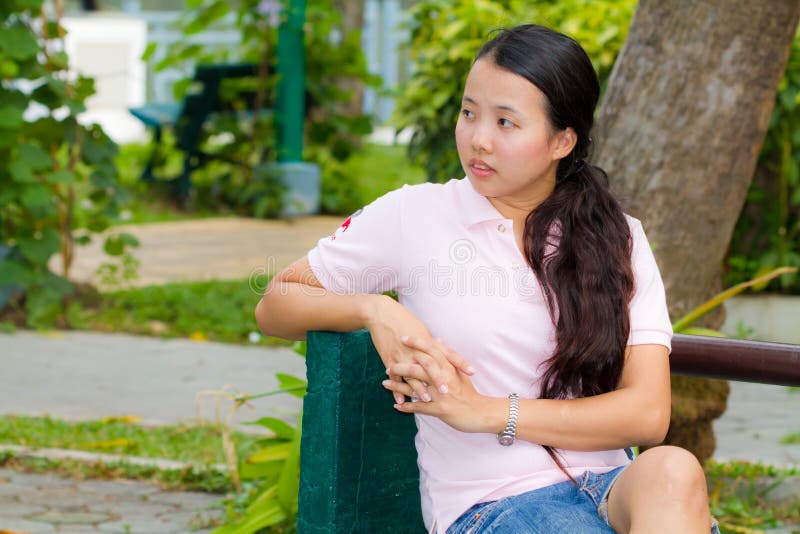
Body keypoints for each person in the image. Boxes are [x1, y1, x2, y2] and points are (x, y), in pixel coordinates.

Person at [255, 24, 718, 534]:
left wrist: (488, 411)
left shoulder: (616, 237)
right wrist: (374, 308)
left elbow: (648, 413)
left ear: (562, 140)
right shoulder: (417, 215)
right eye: (469, 112)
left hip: (613, 489)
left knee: (674, 469)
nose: (478, 139)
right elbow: (277, 301)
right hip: (494, 506)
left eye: (506, 122)